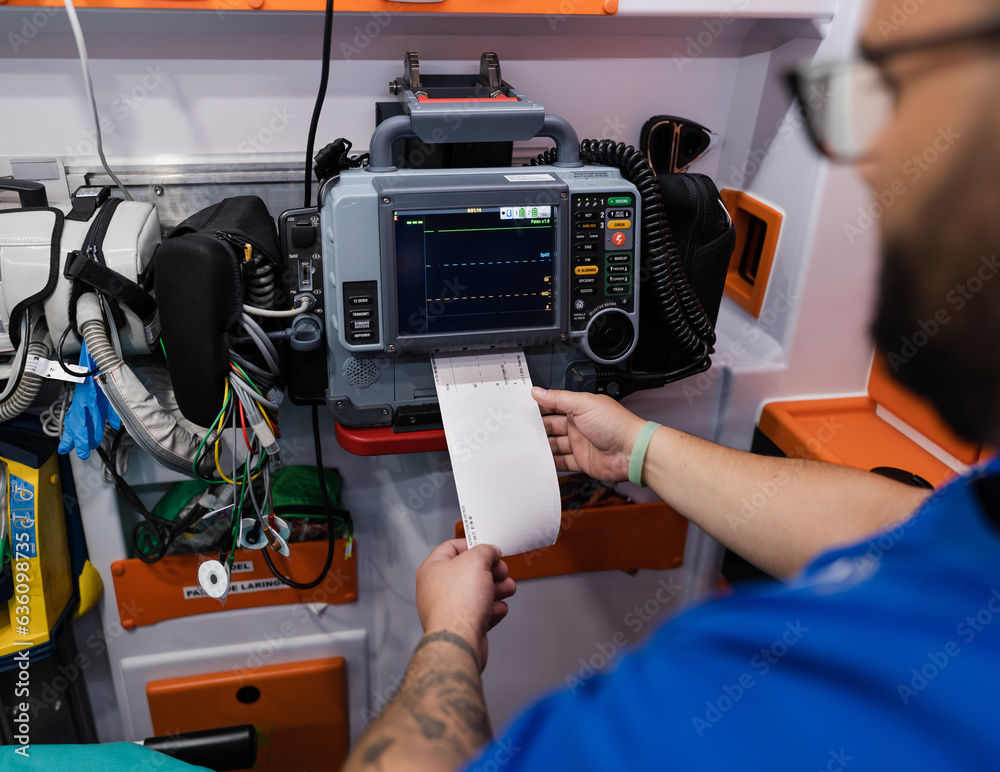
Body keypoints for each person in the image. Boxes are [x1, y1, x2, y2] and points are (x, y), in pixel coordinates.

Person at [342, 0, 1000, 768]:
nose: (873, 163)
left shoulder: (722, 699)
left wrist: (450, 634)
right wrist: (641, 449)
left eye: (887, 91)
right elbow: (910, 527)